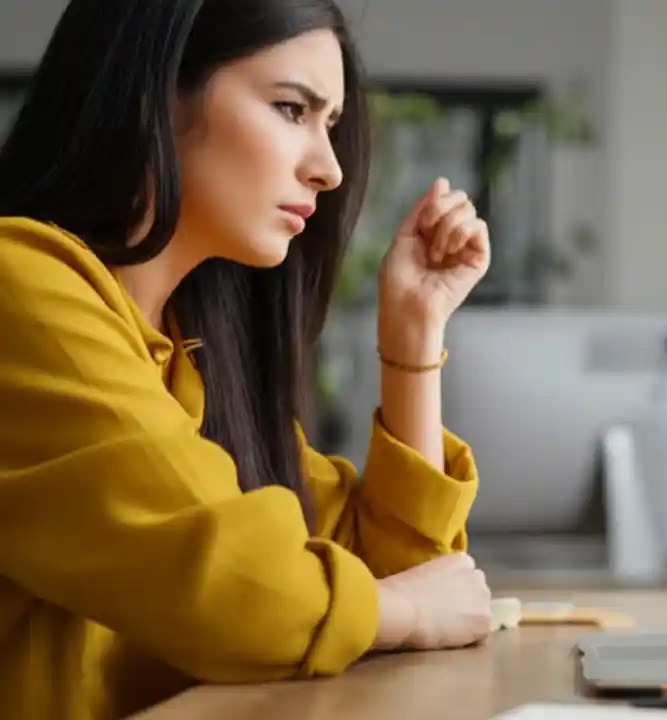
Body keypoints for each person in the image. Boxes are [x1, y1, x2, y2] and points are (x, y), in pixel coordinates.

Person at [0, 1, 496, 717]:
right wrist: (405, 612)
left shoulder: (194, 357)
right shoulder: (21, 287)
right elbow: (247, 591)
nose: (328, 169)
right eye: (292, 109)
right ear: (156, 96)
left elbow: (402, 583)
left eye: (330, 127)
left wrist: (413, 338)